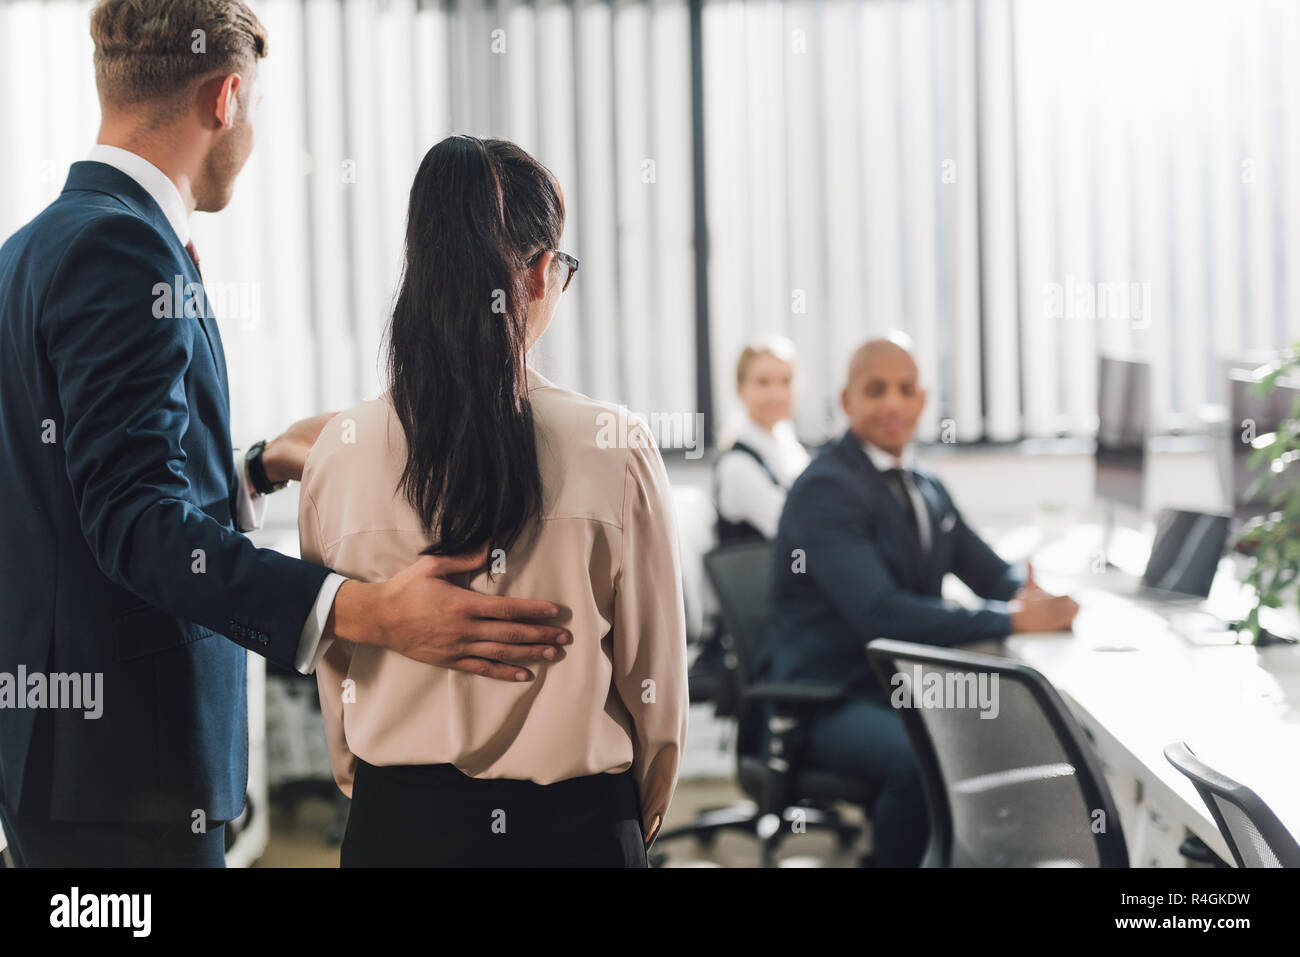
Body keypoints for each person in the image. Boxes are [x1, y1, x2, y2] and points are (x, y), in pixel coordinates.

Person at [0, 0, 569, 867]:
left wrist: (256, 466)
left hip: (67, 758)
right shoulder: (123, 251)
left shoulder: (32, 247)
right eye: (255, 108)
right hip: (123, 763)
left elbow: (72, 489)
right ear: (226, 98)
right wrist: (363, 609)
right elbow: (133, 521)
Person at [301, 135, 690, 868]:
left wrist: (384, 796)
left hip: (396, 831)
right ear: (544, 273)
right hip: (574, 831)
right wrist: (630, 823)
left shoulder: (336, 452)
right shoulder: (615, 444)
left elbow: (336, 673)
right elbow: (655, 686)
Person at [759, 335, 1078, 866]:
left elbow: (985, 569)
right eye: (876, 389)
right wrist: (1013, 619)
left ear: (923, 400)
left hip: (898, 686)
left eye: (906, 390)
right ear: (847, 401)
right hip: (827, 696)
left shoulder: (924, 484)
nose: (893, 403)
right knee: (919, 758)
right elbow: (881, 615)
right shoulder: (827, 489)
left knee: (1010, 730)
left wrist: (1026, 594)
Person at [714, 335, 811, 544]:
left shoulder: (789, 446)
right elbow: (795, 530)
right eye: (763, 382)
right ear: (741, 390)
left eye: (786, 381)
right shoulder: (737, 465)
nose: (776, 394)